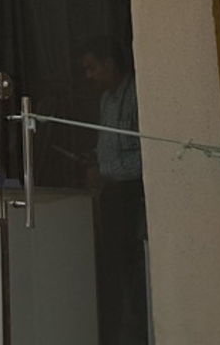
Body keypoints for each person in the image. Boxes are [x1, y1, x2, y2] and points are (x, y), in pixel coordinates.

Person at [81, 38, 148, 345]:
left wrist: (106, 171)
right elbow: (107, 145)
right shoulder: (106, 99)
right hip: (110, 194)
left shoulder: (137, 94)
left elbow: (146, 155)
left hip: (133, 194)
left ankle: (138, 326)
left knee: (133, 265)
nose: (88, 76)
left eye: (92, 68)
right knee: (111, 263)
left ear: (110, 64)